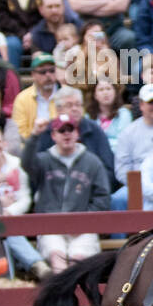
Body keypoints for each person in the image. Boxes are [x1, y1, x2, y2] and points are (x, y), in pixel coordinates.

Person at [21, 113, 111, 271]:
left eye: (70, 129)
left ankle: (77, 296)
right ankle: (61, 296)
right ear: (53, 135)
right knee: (58, 261)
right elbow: (26, 163)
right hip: (50, 227)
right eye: (61, 131)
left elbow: (102, 198)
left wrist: (83, 222)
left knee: (78, 262)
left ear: (77, 133)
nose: (67, 134)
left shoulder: (92, 162)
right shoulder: (44, 160)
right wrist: (34, 135)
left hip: (84, 228)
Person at [0, 123, 49, 279]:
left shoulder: (16, 165)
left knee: (4, 226)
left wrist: (9, 211)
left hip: (12, 219)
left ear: (4, 143)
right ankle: (36, 264)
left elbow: (25, 198)